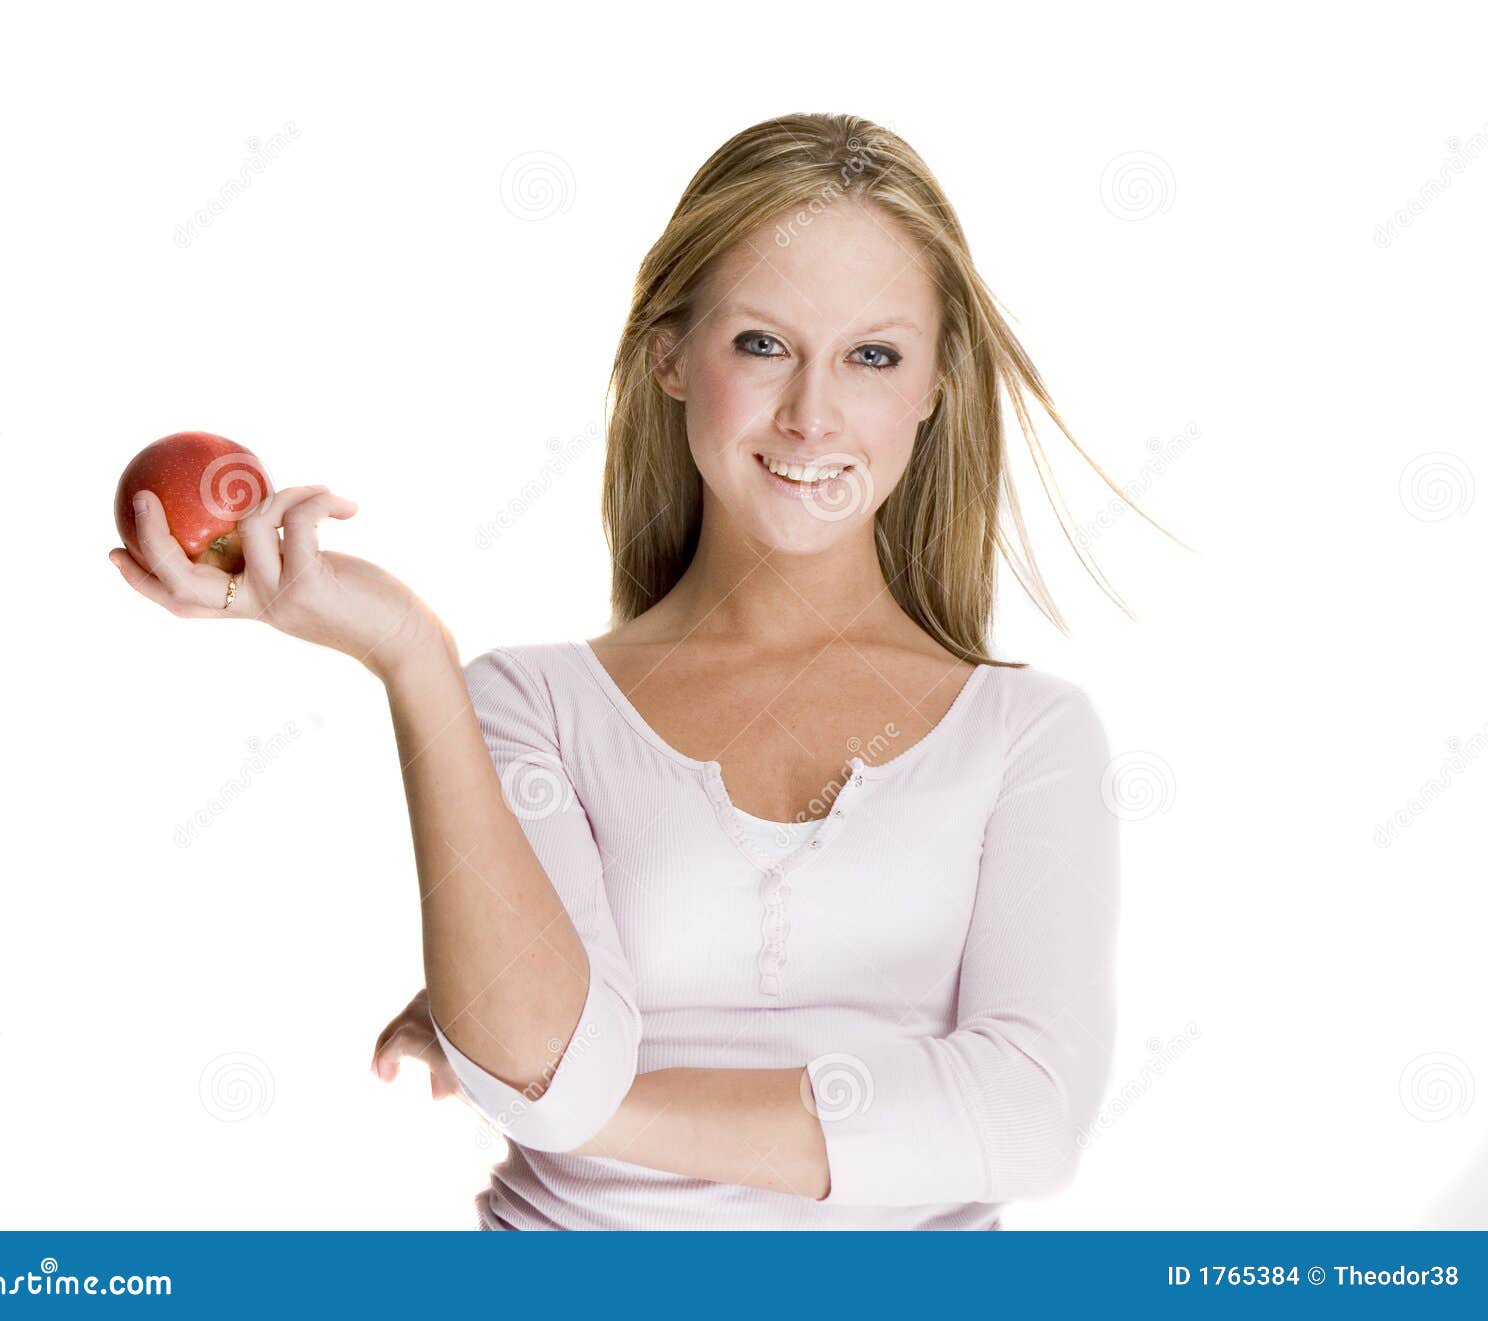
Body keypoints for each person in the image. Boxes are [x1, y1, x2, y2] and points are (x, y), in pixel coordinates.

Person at [111, 112, 1176, 1229]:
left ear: (936, 384)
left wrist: (578, 1103)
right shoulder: (530, 708)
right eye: (761, 344)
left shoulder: (1026, 733)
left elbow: (1025, 1119)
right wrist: (410, 654)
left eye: (872, 355)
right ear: (670, 355)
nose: (812, 417)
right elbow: (543, 1064)